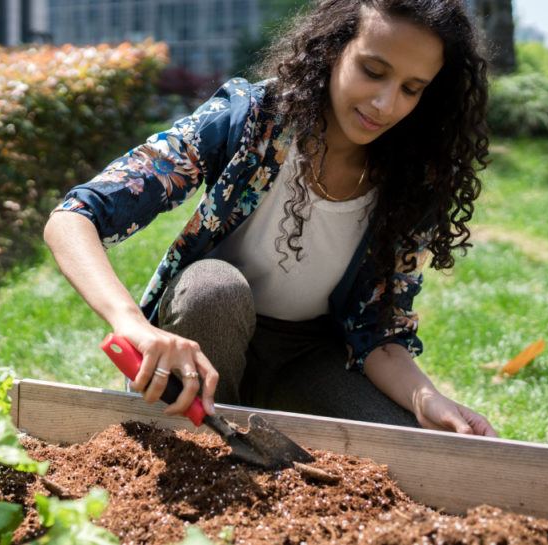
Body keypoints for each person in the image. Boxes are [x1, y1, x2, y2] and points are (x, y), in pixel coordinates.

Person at [43, 0, 498, 437]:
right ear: (333, 48)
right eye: (373, 71)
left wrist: (428, 400)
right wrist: (131, 325)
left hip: (308, 359)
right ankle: (198, 443)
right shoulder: (250, 119)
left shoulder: (411, 178)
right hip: (205, 337)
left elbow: (378, 333)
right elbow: (74, 216)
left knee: (413, 454)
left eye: (411, 89)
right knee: (212, 289)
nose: (384, 103)